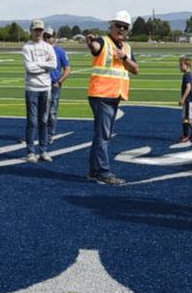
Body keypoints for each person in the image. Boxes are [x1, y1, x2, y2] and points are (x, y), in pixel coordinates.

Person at [83, 11, 139, 185]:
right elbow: (95, 47)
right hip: (102, 94)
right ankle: (103, 172)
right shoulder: (103, 41)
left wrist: (125, 58)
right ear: (111, 26)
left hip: (114, 95)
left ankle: (94, 171)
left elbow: (135, 69)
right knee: (104, 135)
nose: (121, 29)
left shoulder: (126, 48)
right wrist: (91, 43)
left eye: (125, 27)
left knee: (101, 134)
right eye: (118, 26)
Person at [21, 20, 58, 163]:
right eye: (36, 30)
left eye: (40, 30)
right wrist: (44, 66)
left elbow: (54, 65)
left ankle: (43, 151)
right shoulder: (27, 47)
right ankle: (31, 152)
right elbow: (29, 68)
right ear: (31, 30)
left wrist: (38, 65)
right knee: (32, 121)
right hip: (32, 88)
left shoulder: (48, 47)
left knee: (43, 120)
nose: (38, 33)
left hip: (45, 88)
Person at [44, 29, 70, 143]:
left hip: (53, 84)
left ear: (54, 38)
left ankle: (50, 133)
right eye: (45, 36)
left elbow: (67, 69)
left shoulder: (60, 51)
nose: (46, 39)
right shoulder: (41, 50)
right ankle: (39, 133)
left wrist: (59, 82)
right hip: (41, 84)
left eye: (49, 36)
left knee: (52, 110)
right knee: (39, 110)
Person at [175, 57, 192, 145]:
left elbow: (188, 87)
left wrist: (183, 99)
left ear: (187, 65)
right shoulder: (189, 74)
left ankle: (185, 136)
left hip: (188, 101)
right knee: (188, 119)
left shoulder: (187, 75)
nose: (180, 67)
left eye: (181, 65)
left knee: (186, 119)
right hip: (189, 100)